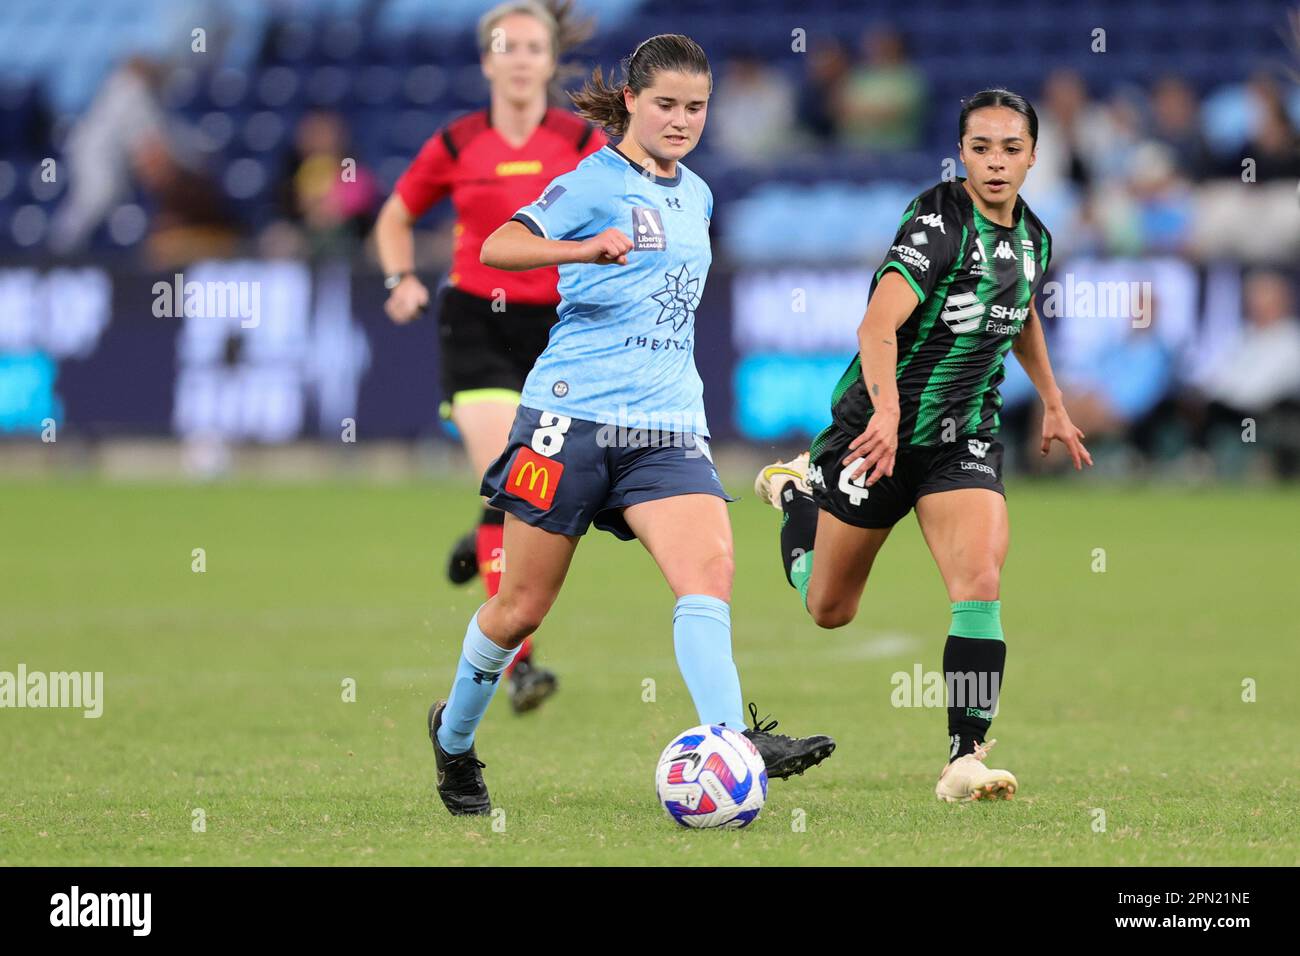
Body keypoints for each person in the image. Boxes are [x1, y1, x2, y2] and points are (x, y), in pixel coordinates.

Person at [426, 33, 835, 816]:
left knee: (709, 571)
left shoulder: (700, 194)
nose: (682, 120)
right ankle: (454, 742)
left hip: (665, 426)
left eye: (697, 107)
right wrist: (579, 250)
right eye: (667, 105)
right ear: (633, 103)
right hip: (569, 419)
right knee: (521, 608)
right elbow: (499, 243)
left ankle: (731, 742)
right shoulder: (593, 181)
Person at [755, 89, 1092, 804]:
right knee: (828, 608)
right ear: (961, 153)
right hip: (872, 438)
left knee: (980, 585)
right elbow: (875, 327)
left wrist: (1055, 401)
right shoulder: (937, 222)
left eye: (1010, 149)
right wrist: (883, 412)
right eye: (981, 148)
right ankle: (791, 491)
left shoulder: (1035, 237)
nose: (996, 163)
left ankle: (965, 755)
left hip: (960, 440)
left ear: (1033, 155)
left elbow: (1021, 309)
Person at [374, 1, 604, 713]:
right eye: (507, 46)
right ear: (487, 60)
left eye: (535, 46)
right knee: (509, 476)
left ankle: (484, 537)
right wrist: (400, 278)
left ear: (550, 57)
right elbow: (395, 214)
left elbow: (623, 210)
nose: (520, 57)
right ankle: (522, 667)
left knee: (536, 486)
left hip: (558, 327)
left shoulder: (580, 140)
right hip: (475, 324)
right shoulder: (455, 143)